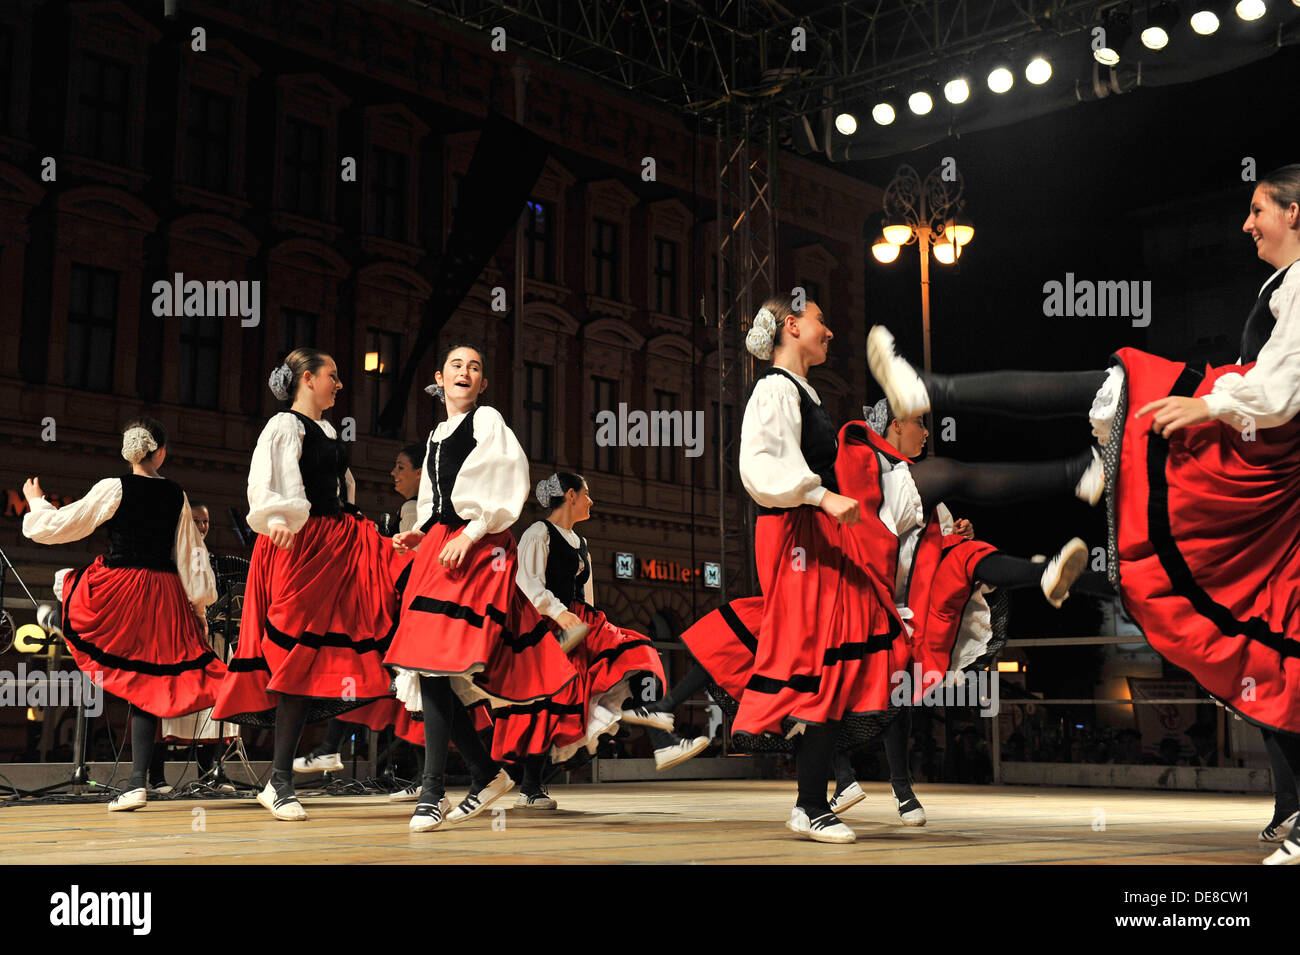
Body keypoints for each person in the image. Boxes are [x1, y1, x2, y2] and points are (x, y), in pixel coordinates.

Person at [867, 164, 1300, 865]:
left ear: (1296, 212)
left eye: (1258, 209)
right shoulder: (1281, 286)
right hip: (1253, 461)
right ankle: (1083, 482)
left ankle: (1050, 457)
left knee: (1127, 386)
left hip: (1252, 461)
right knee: (1263, 646)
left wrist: (1210, 404)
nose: (1247, 223)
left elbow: (1281, 392)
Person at [828, 399, 1097, 823]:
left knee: (897, 695)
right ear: (895, 427)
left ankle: (900, 790)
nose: (926, 432)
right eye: (919, 423)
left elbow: (935, 531)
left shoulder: (914, 483)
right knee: (839, 691)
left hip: (905, 603)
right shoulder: (875, 476)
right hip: (861, 600)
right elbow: (873, 530)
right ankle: (841, 777)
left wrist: (956, 532)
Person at [722, 293, 912, 844]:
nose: (829, 332)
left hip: (819, 533)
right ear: (792, 324)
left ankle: (813, 798)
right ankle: (810, 803)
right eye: (821, 321)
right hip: (794, 532)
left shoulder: (804, 392)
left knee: (856, 648)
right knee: (823, 658)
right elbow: (758, 465)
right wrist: (820, 497)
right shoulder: (775, 388)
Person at [384, 344, 578, 832]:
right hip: (442, 545)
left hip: (480, 545)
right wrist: (421, 531)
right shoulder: (434, 436)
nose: (466, 371)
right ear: (439, 378)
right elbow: (435, 499)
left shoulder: (487, 420)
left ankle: (433, 792)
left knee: (438, 665)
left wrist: (469, 534)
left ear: (483, 383)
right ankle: (483, 773)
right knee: (433, 668)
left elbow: (505, 484)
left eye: (475, 366)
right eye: (456, 365)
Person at [213, 348, 402, 821]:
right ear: (307, 379)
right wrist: (276, 518)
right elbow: (265, 484)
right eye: (332, 376)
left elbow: (342, 492)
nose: (339, 384)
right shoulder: (284, 426)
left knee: (331, 651)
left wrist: (371, 535)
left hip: (335, 543)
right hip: (299, 547)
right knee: (295, 657)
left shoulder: (327, 431)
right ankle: (279, 782)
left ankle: (295, 772)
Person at [21, 417, 226, 812]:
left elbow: (64, 525)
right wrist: (199, 607)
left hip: (120, 587)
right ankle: (136, 783)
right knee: (151, 683)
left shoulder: (113, 487)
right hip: (162, 592)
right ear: (160, 451)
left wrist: (36, 502)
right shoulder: (176, 494)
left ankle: (58, 623)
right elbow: (191, 556)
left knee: (76, 596)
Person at [510, 472, 709, 807]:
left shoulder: (581, 544)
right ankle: (529, 787)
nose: (592, 501)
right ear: (570, 495)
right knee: (551, 707)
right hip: (549, 628)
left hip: (583, 625)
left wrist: (586, 622)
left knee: (637, 653)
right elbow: (527, 583)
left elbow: (586, 596)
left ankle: (662, 737)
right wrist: (559, 615)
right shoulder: (538, 533)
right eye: (587, 495)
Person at [295, 445, 429, 801]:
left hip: (408, 613)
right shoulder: (413, 509)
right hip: (408, 611)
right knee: (399, 691)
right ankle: (424, 778)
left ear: (420, 473)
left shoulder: (417, 510)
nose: (393, 473)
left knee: (398, 687)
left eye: (401, 467)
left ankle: (435, 778)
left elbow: (409, 565)